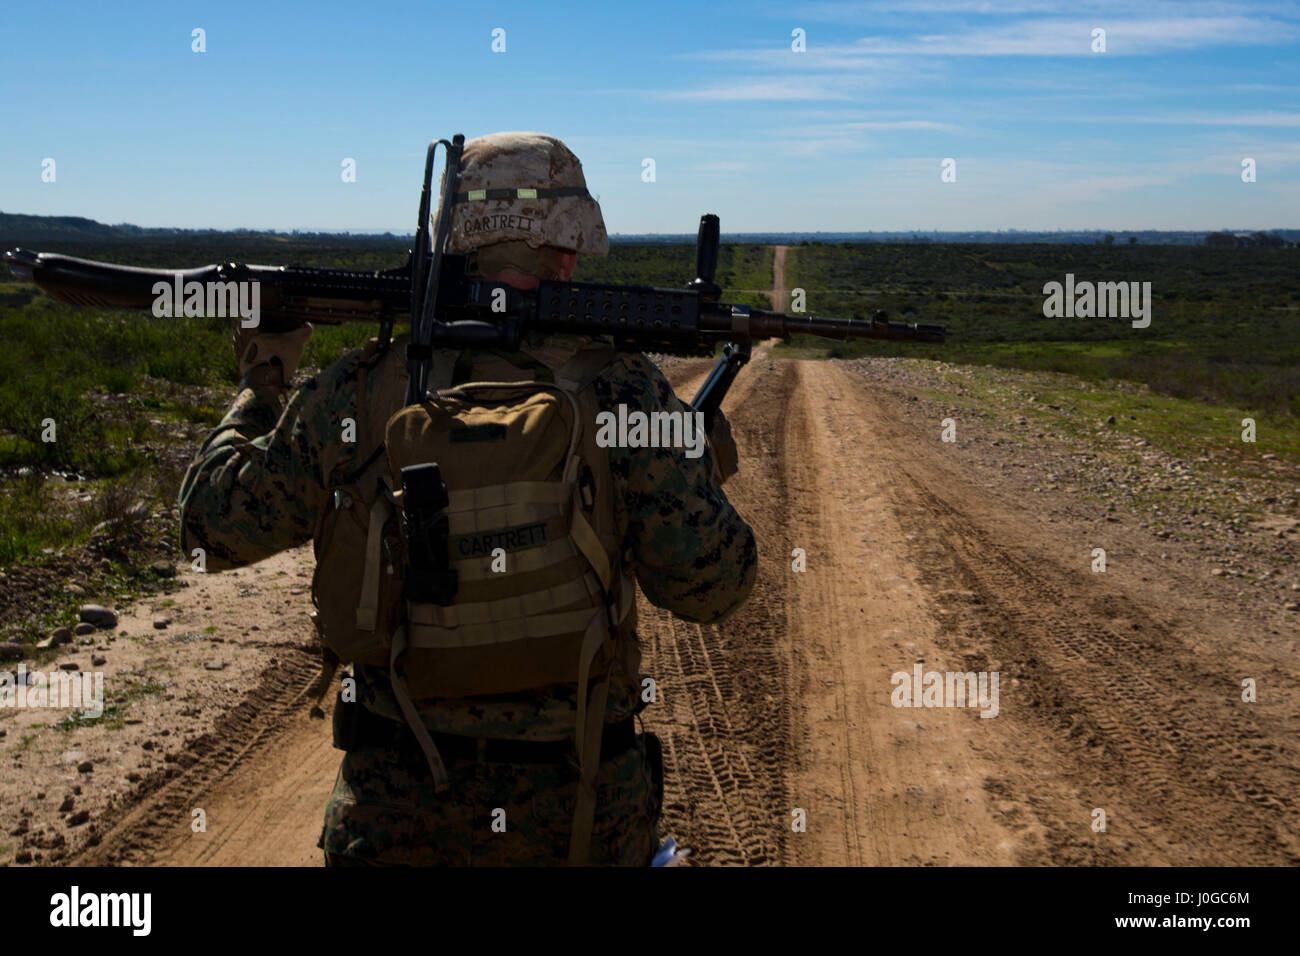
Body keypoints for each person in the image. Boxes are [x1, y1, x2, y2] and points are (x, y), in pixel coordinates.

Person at [178, 131, 756, 865]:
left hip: (397, 824)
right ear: (568, 247)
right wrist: (694, 458)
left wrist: (261, 380)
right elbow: (716, 585)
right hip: (581, 823)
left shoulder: (366, 386)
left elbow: (209, 528)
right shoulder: (623, 390)